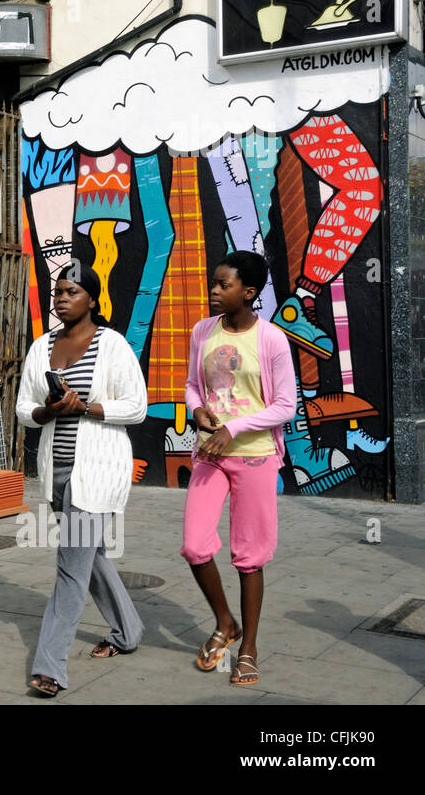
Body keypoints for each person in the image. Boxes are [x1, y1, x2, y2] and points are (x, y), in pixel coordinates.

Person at [16, 263, 148, 698]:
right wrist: (51, 411)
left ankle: (50, 667)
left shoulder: (111, 345)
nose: (61, 299)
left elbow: (136, 407)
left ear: (92, 299)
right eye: (57, 292)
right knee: (89, 557)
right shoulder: (42, 347)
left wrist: (85, 407)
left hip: (98, 468)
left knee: (70, 566)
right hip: (55, 470)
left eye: (71, 292)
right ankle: (128, 631)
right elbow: (24, 409)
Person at [182, 250, 296, 687]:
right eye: (213, 283)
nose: (213, 291)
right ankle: (225, 622)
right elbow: (194, 385)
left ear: (247, 292)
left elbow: (286, 405)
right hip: (211, 453)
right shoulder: (202, 332)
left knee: (249, 557)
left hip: (255, 456)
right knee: (195, 545)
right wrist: (197, 412)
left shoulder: (271, 340)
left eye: (223, 285)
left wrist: (235, 427)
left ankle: (248, 647)